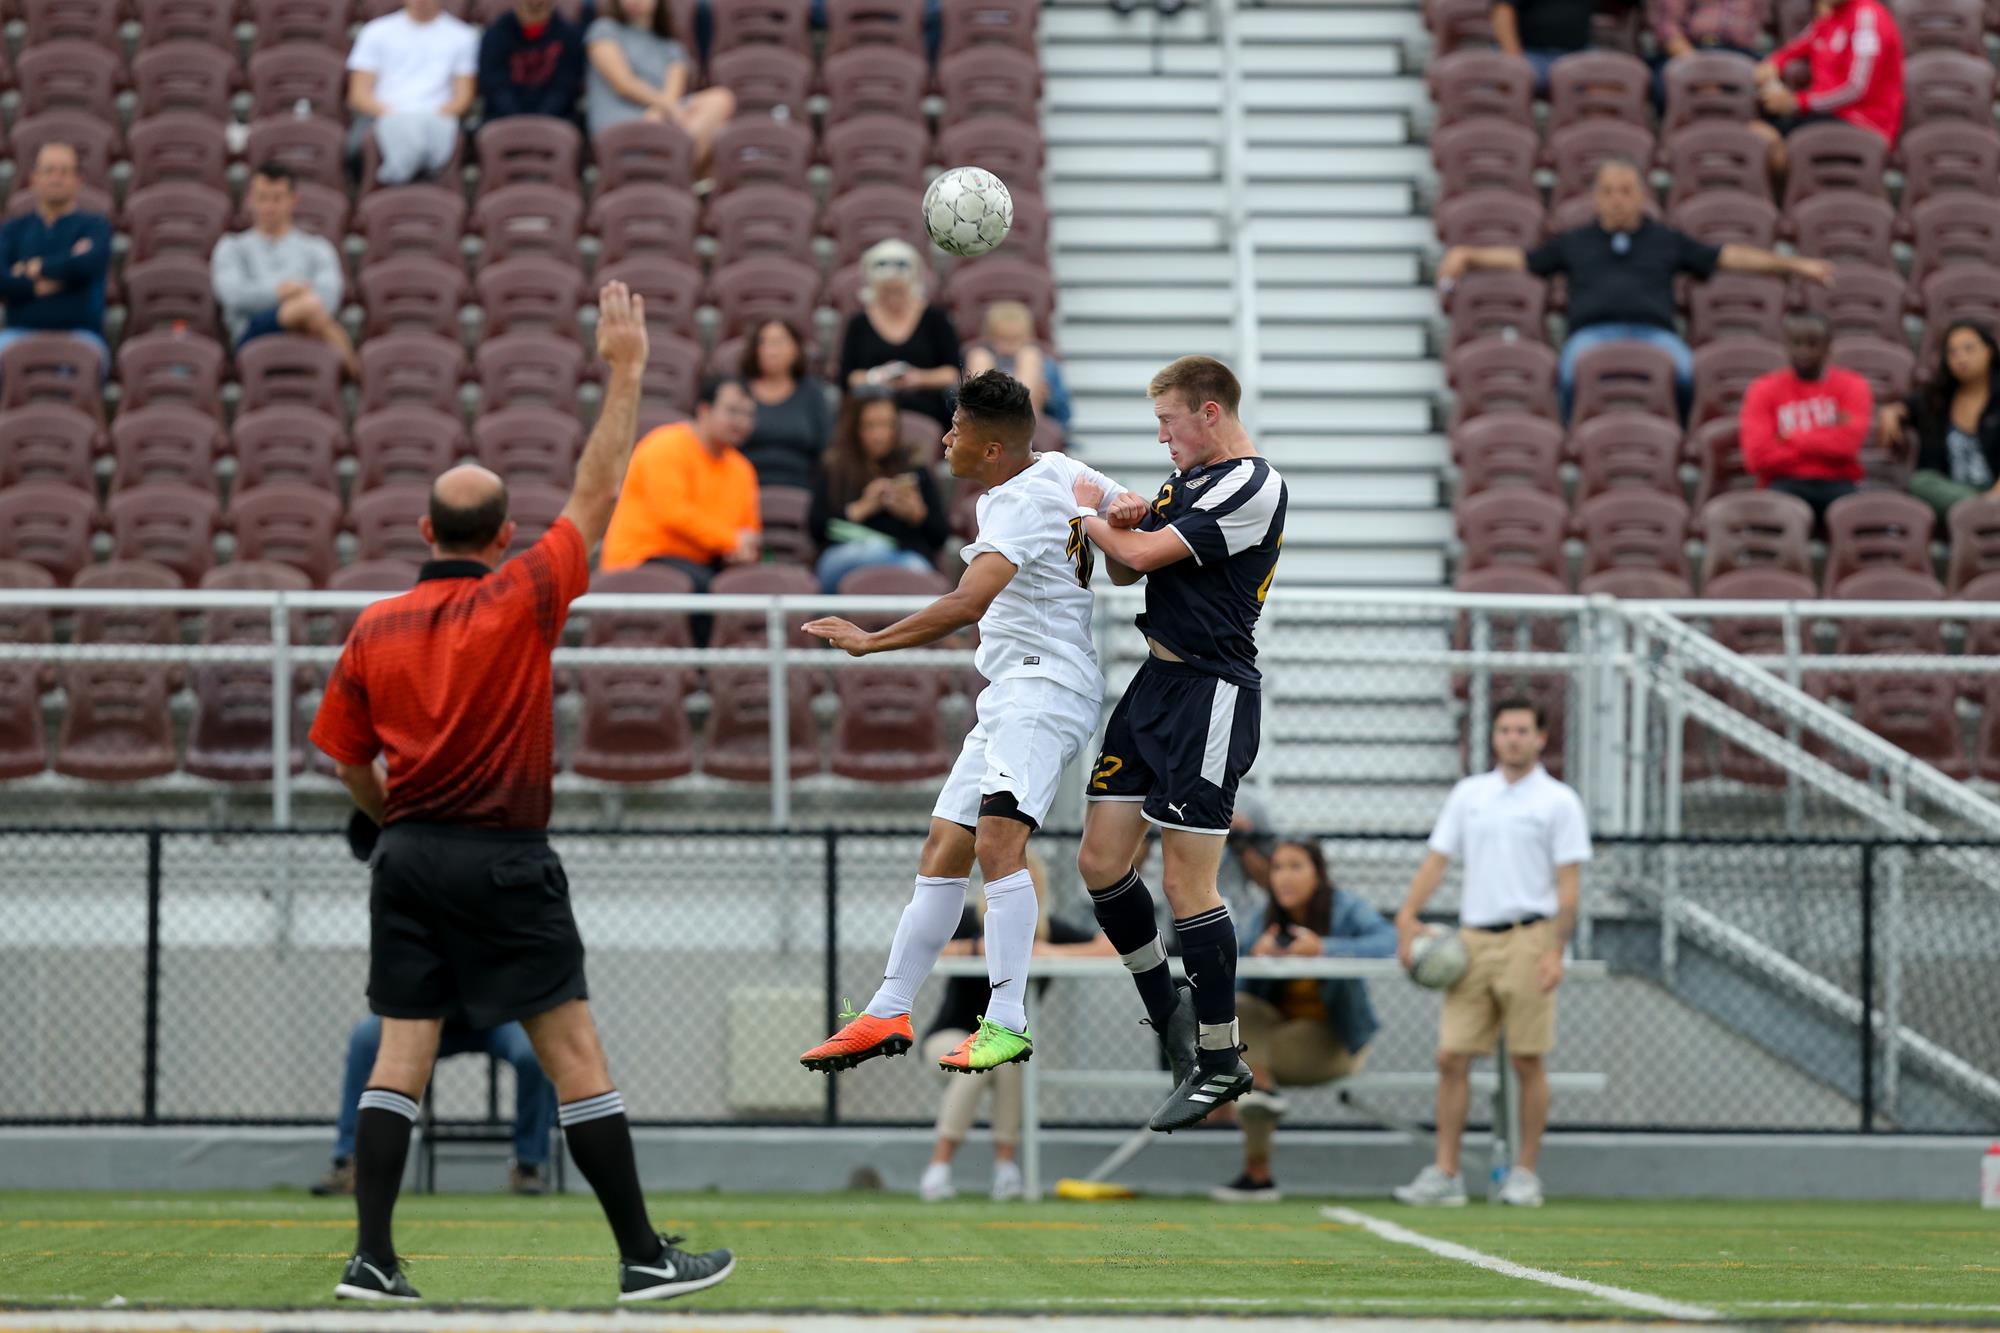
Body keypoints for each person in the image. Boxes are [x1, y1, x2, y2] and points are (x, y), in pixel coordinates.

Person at [307, 281, 735, 1304]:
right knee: (574, 1051)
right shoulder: (525, 592)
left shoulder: (372, 626)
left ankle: (372, 1258)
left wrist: (385, 814)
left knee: (399, 1055)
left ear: (425, 529)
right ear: (503, 536)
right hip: (504, 857)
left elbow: (345, 761)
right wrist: (626, 371)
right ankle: (641, 1255)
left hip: (408, 857)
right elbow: (596, 492)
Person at [797, 370, 1130, 1081]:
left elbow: (967, 602)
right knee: (945, 844)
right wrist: (1119, 510)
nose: (944, 439)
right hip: (1013, 690)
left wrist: (871, 641)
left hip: (1044, 688)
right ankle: (889, 1008)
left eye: (956, 429)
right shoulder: (1059, 469)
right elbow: (1121, 530)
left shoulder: (1015, 503)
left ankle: (1006, 1020)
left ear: (991, 448)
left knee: (999, 841)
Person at [1069, 354, 1289, 1134]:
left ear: (1209, 412)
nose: (1162, 437)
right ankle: (1170, 1015)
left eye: (1169, 421)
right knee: (1099, 862)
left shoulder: (1253, 483)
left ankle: (1222, 1055)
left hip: (1210, 692)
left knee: (1186, 882)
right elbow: (1125, 573)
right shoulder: (1183, 482)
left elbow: (1134, 557)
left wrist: (1079, 506)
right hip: (1154, 685)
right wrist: (1121, 521)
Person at [1437, 159, 1834, 422]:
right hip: (1591, 336)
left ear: (1641, 195)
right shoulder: (1574, 241)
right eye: (1609, 191)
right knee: (1568, 373)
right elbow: (1523, 259)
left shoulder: (1665, 240)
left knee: (1687, 373)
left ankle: (1678, 439)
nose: (1617, 199)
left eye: (1626, 190)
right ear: (1596, 197)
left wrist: (1793, 265)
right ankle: (1573, 441)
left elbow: (1728, 257)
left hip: (1655, 335)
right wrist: (1469, 255)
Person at [1392, 699, 1591, 1210]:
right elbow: (1437, 860)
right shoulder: (1470, 794)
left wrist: (1556, 950)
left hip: (1531, 938)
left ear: (1541, 737)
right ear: (1493, 736)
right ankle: (1446, 1173)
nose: (1512, 738)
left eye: (1523, 729)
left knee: (1527, 1059)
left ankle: (1524, 1174)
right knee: (1451, 1057)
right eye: (1504, 729)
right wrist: (1407, 915)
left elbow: (1569, 886)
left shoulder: (1559, 801)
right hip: (1473, 940)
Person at [919, 854, 1115, 1204]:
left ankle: (1004, 1169)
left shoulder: (1047, 930)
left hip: (1004, 1043)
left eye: (1030, 887)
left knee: (1007, 1059)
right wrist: (980, 948)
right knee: (979, 1057)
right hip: (948, 1036)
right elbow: (930, 948)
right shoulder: (972, 919)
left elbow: (1109, 947)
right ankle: (939, 1166)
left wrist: (1051, 953)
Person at [1211, 840, 1397, 1204]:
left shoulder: (1344, 908)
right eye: (1278, 868)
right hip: (1274, 1038)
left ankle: (1257, 1165)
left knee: (1249, 1061)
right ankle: (1259, 1101)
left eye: (1296, 866)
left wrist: (1324, 949)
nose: (1284, 877)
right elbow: (1232, 982)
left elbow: (1389, 941)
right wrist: (1256, 955)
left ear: (1318, 874)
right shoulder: (1264, 916)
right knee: (1241, 1015)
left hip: (1333, 1042)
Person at [312, 1016, 555, 1197]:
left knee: (532, 1054)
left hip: (498, 1017)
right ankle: (349, 1162)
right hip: (427, 1015)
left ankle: (528, 1165)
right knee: (365, 1038)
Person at [599, 377, 761, 588]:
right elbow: (672, 514)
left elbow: (749, 532)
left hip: (704, 563)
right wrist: (731, 541)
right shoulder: (665, 447)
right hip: (644, 558)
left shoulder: (742, 469)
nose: (741, 422)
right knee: (703, 586)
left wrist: (743, 549)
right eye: (733, 411)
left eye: (748, 415)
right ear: (704, 410)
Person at [210, 162, 355, 377]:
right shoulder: (231, 247)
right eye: (262, 198)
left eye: (277, 198)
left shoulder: (317, 248)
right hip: (250, 336)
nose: (269, 207)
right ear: (249, 200)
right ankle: (354, 371)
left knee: (310, 308)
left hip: (309, 333)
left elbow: (329, 299)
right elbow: (234, 296)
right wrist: (283, 292)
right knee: (307, 306)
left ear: (293, 200)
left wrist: (290, 302)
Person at [1739, 311, 1871, 528]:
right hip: (1783, 482)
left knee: (1863, 521)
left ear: (1828, 348)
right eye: (1796, 343)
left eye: (1813, 343)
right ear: (1785, 346)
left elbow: (1846, 445)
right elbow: (1757, 457)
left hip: (1839, 482)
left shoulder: (1853, 386)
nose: (1804, 351)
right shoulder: (1762, 389)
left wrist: (1790, 438)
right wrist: (1824, 440)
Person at [809, 390, 949, 592]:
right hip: (845, 556)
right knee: (876, 550)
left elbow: (940, 536)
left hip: (904, 555)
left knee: (918, 570)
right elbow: (816, 529)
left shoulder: (914, 469)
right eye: (870, 426)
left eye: (887, 425)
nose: (879, 435)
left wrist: (917, 514)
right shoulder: (835, 468)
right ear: (855, 428)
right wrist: (862, 508)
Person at [1750, 0, 1905, 180]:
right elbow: (1803, 42)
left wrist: (1796, 102)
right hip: (1827, 113)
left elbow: (1856, 88)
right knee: (1761, 124)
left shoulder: (1867, 18)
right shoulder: (1832, 14)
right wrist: (1775, 63)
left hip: (1862, 123)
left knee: (1777, 142)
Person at [585, 0, 734, 176]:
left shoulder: (672, 47)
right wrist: (662, 110)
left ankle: (666, 172)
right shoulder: (604, 30)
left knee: (720, 102)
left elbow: (672, 95)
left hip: (662, 122)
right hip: (619, 126)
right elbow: (623, 84)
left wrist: (659, 113)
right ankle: (669, 173)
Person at [0, 143, 111, 370]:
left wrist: (33, 269)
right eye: (49, 170)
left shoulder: (95, 226)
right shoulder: (13, 230)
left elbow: (88, 265)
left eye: (64, 172)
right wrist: (66, 269)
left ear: (78, 180)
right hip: (18, 336)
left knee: (88, 363)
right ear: (34, 178)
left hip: (80, 337)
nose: (56, 178)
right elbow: (3, 282)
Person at [345, 0, 478, 186]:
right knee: (353, 149)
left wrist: (427, 120)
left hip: (438, 118)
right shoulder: (375, 31)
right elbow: (359, 94)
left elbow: (463, 97)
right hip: (381, 116)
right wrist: (395, 118)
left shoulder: (464, 36)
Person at [839, 238, 963, 431]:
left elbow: (952, 372)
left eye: (898, 290)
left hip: (927, 408)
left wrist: (917, 378)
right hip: (870, 412)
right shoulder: (858, 323)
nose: (893, 297)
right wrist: (877, 377)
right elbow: (848, 376)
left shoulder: (936, 319)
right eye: (887, 290)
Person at [1882, 322, 2000, 523]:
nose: (1961, 358)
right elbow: (1905, 406)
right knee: (1920, 482)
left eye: (1969, 349)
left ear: (1989, 351)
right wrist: (1890, 412)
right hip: (1952, 492)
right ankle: (1981, 510)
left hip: (1995, 487)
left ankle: (1981, 510)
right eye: (1952, 352)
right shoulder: (1938, 398)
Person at [740, 319, 835, 492]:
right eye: (764, 342)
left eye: (779, 342)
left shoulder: (812, 392)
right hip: (743, 487)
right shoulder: (738, 391)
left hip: (801, 486)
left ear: (796, 349)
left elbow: (826, 447)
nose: (772, 351)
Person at [965, 301, 1071, 431]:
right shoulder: (983, 358)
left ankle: (1018, 415)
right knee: (979, 357)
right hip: (985, 420)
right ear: (989, 338)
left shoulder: (1044, 363)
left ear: (1030, 337)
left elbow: (1064, 412)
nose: (1009, 347)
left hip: (1030, 420)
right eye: (1002, 339)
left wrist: (1049, 398)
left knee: (1030, 356)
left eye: (1016, 339)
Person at [478, 0, 587, 122]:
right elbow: (494, 86)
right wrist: (518, 118)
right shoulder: (495, 34)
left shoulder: (570, 35)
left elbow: (566, 88)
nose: (534, 3)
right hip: (501, 118)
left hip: (558, 118)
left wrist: (540, 119)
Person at [1491, 0, 1595, 91]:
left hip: (1577, 53)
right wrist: (1516, 61)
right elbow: (1503, 12)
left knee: (1600, 82)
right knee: (1507, 82)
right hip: (1530, 53)